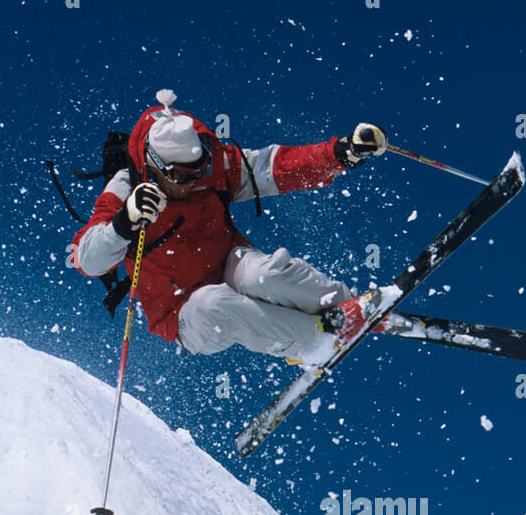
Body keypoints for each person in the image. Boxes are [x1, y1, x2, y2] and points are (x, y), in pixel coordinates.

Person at [72, 90, 387, 365]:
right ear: (153, 166)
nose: (191, 183)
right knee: (216, 304)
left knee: (264, 275)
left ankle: (349, 308)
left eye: (198, 171)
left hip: (227, 264)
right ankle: (316, 342)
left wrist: (340, 154)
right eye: (180, 177)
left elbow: (273, 167)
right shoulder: (126, 190)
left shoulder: (213, 168)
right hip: (183, 312)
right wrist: (122, 224)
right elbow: (87, 260)